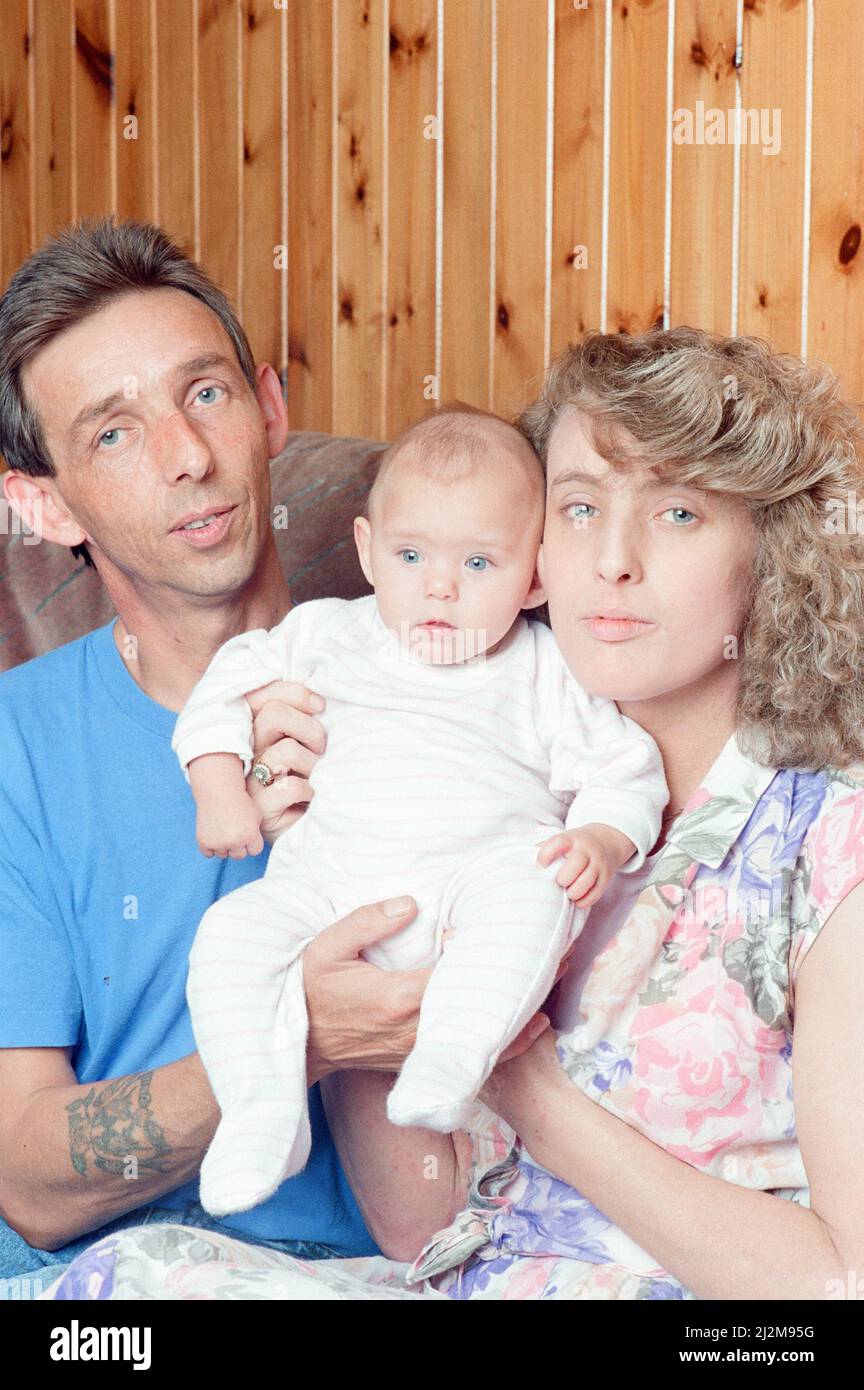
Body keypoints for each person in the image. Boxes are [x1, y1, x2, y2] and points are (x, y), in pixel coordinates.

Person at [43, 324, 864, 1301]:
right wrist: (353, 857)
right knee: (121, 1286)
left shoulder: (829, 845)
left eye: (678, 511)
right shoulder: (491, 758)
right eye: (580, 507)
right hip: (465, 1282)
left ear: (776, 551)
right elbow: (420, 1228)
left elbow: (844, 1282)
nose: (612, 560)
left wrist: (531, 1091)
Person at [0, 217, 516, 1292]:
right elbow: (28, 1181)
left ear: (269, 409)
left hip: (389, 1262)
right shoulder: (19, 748)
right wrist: (300, 1037)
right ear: (42, 504)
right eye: (113, 433)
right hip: (106, 1274)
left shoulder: (470, 665)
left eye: (205, 392)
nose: (188, 457)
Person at [169, 409, 668, 1218]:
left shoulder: (544, 670)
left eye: (479, 562)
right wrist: (220, 786)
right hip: (328, 885)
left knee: (537, 888)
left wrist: (603, 840)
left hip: (472, 891)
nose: (440, 587)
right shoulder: (325, 633)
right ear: (367, 551)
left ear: (535, 578)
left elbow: (626, 769)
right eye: (410, 556)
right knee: (229, 938)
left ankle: (451, 1058)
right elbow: (223, 687)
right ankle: (260, 1112)